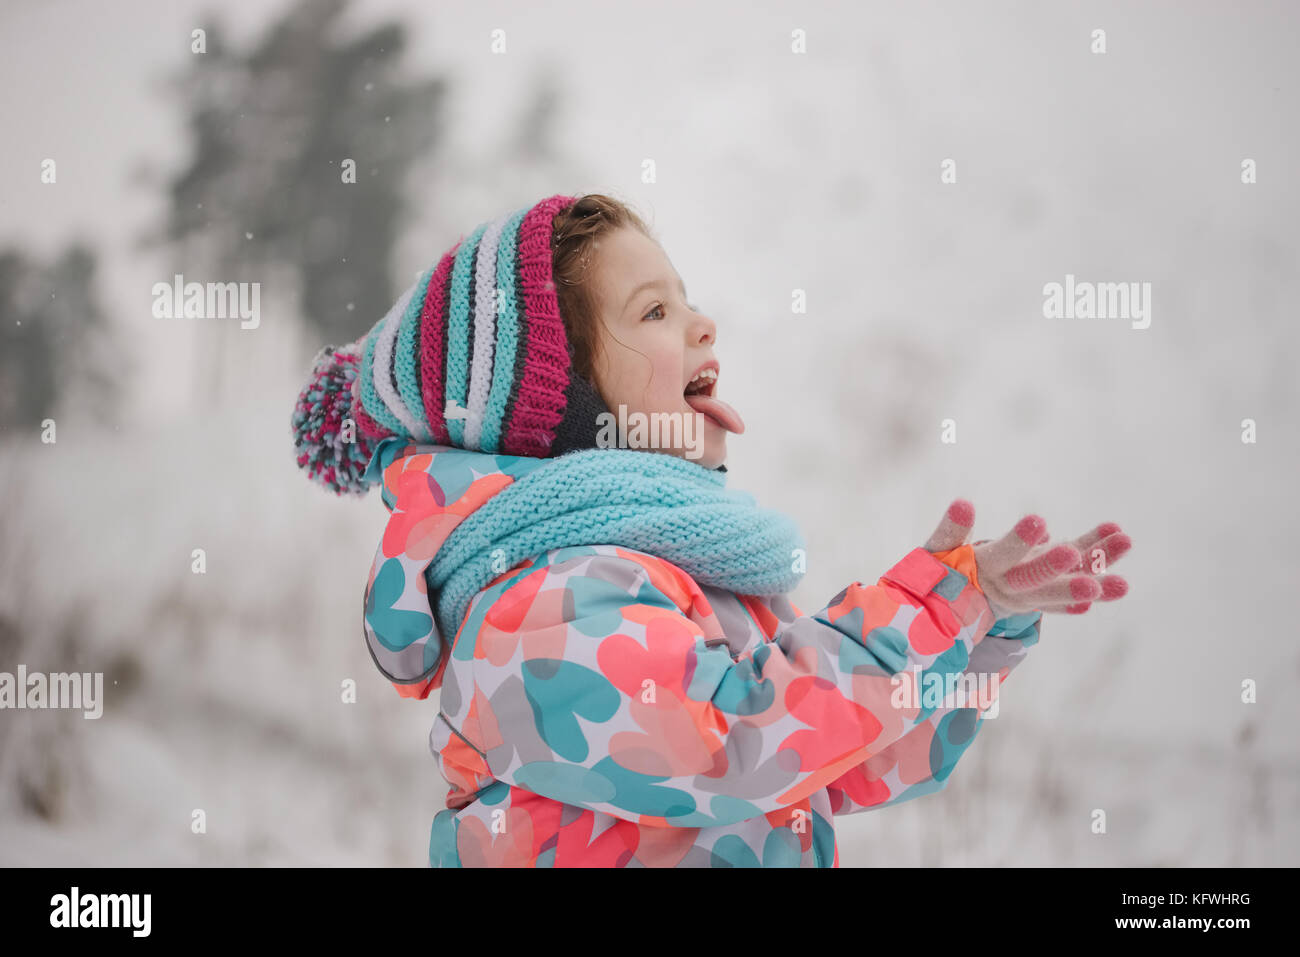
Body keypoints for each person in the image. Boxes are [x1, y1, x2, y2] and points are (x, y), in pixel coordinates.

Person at [290, 192, 1132, 867]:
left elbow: (851, 761)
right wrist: (936, 609)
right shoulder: (535, 609)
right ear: (558, 408)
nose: (702, 323)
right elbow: (747, 739)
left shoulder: (673, 578)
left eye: (685, 297)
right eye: (654, 312)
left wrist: (979, 624)